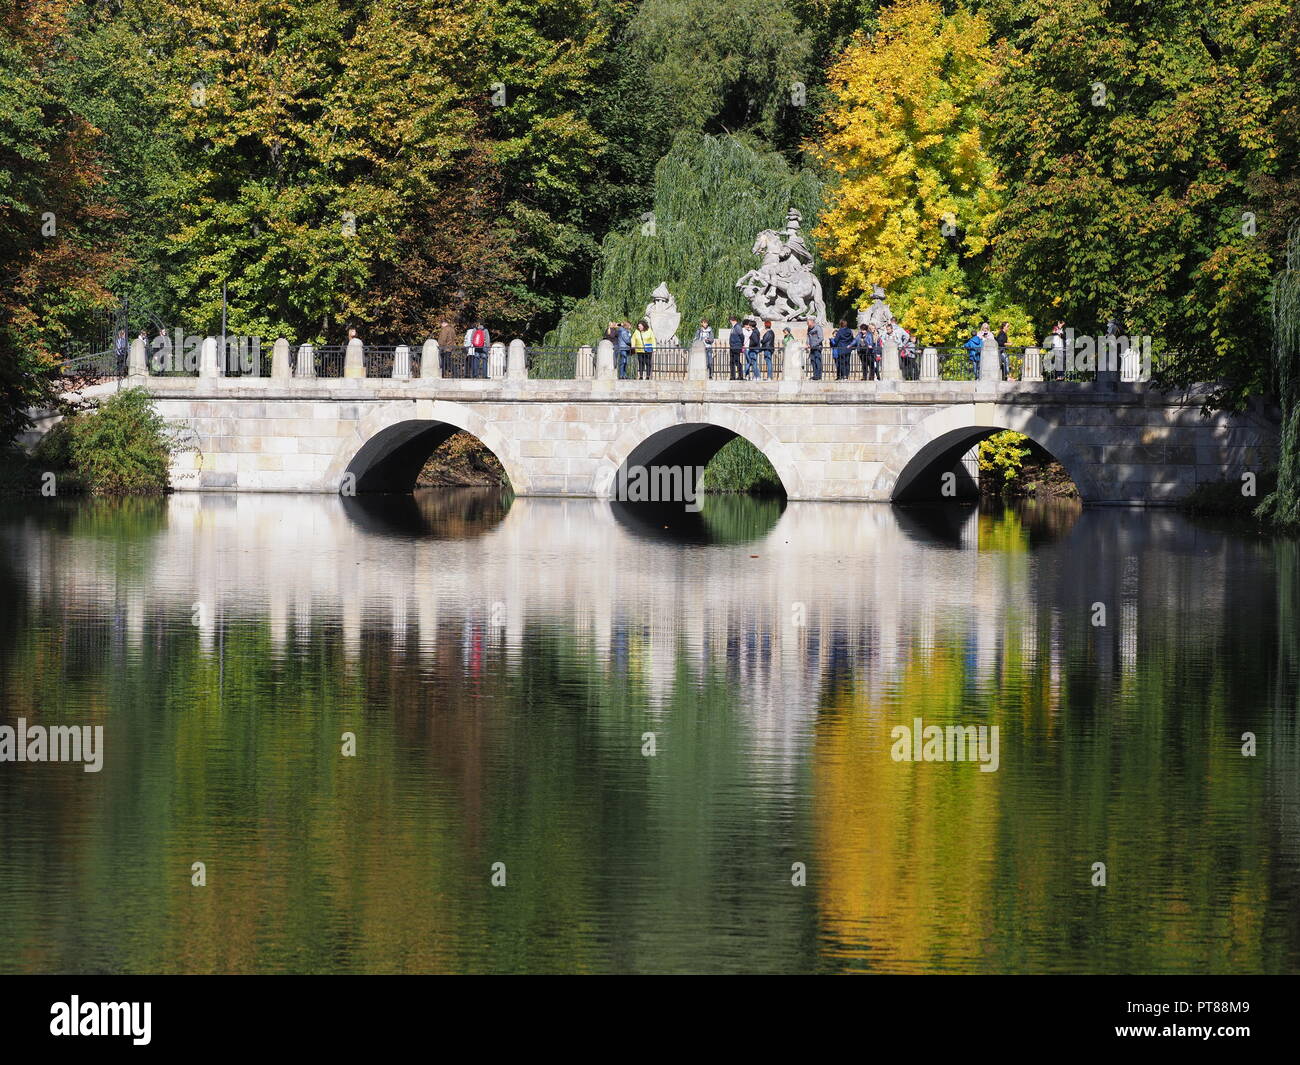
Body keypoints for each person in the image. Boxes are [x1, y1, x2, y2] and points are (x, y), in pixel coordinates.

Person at [728, 315, 744, 380]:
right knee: (732, 362)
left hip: (736, 346)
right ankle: (732, 376)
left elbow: (741, 336)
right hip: (732, 346)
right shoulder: (734, 327)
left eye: (730, 321)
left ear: (731, 321)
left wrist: (741, 344)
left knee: (737, 361)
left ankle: (740, 376)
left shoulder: (737, 327)